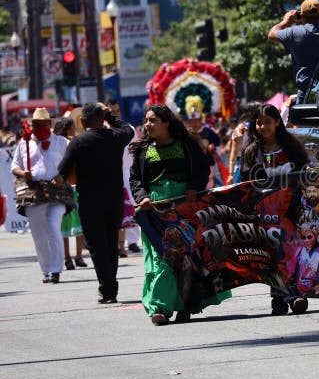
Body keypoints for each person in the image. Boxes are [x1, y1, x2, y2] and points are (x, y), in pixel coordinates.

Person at [129, 105, 231, 325]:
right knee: (161, 259)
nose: (148, 125)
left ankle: (186, 304)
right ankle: (160, 308)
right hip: (154, 210)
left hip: (184, 207)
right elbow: (135, 179)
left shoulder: (186, 145)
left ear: (166, 122)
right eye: (146, 120)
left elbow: (203, 169)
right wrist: (142, 198)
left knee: (186, 259)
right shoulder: (142, 150)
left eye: (153, 120)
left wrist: (194, 186)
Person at [58, 103, 134, 303]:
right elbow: (129, 129)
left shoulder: (78, 141)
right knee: (111, 244)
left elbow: (63, 170)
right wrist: (110, 115)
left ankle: (107, 287)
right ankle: (111, 287)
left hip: (90, 201)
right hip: (114, 199)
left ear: (82, 121)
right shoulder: (116, 137)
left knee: (97, 246)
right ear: (103, 119)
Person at [239, 103, 311, 315]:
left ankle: (294, 295)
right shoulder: (251, 152)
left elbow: (304, 170)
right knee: (273, 255)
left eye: (267, 122)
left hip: (291, 208)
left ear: (278, 122)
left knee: (291, 252)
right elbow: (245, 181)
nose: (263, 126)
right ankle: (280, 298)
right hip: (265, 213)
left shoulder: (290, 146)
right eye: (259, 123)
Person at [11, 108, 71, 284]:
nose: (39, 127)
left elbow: (73, 163)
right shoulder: (24, 143)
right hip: (33, 193)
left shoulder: (61, 142)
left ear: (49, 123)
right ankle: (46, 269)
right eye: (36, 124)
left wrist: (63, 177)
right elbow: (14, 166)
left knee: (53, 226)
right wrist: (23, 172)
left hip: (57, 193)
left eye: (43, 123)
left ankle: (56, 269)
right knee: (38, 234)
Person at [106, 98, 142, 257]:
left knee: (133, 206)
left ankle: (133, 241)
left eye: (117, 111)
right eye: (111, 112)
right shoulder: (104, 131)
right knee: (114, 208)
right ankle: (116, 242)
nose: (115, 114)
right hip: (111, 175)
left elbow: (136, 150)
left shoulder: (129, 129)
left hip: (127, 173)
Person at [53, 117, 87, 270]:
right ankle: (78, 256)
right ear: (68, 128)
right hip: (72, 184)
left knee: (64, 224)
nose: (75, 128)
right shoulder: (69, 143)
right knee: (79, 222)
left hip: (61, 186)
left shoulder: (55, 143)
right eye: (73, 126)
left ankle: (68, 258)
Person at [227, 102, 261, 184]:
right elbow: (234, 153)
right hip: (242, 167)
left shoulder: (262, 127)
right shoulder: (241, 129)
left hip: (260, 166)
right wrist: (231, 174)